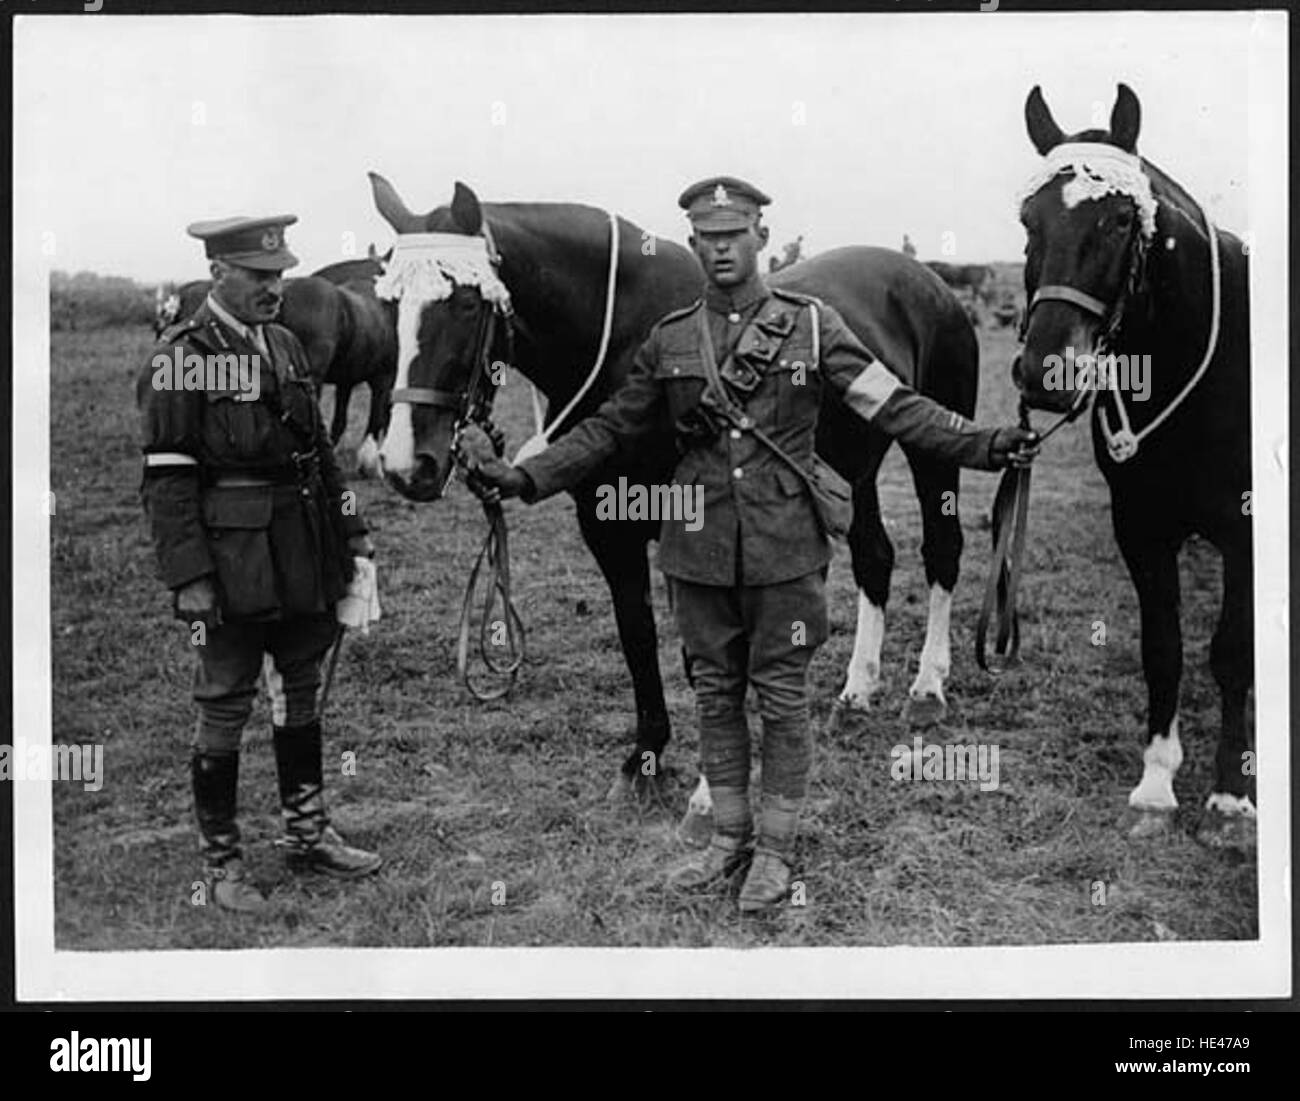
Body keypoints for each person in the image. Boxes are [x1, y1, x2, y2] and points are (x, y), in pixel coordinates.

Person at [467, 177, 1037, 912]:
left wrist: (986, 444)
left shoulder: (812, 326)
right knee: (715, 695)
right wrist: (523, 476)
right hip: (698, 551)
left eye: (734, 235)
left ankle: (774, 849)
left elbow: (892, 404)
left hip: (783, 548)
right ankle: (727, 838)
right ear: (693, 244)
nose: (721, 249)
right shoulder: (668, 337)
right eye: (707, 237)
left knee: (783, 699)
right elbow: (609, 430)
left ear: (761, 239)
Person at [137, 214, 382, 913]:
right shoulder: (182, 355)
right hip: (229, 556)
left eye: (280, 276)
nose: (275, 288)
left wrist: (353, 528)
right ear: (218, 274)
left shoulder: (284, 343)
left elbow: (321, 456)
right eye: (259, 277)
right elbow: (168, 478)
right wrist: (188, 576)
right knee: (224, 698)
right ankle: (224, 866)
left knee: (299, 683)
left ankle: (308, 832)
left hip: (301, 544)